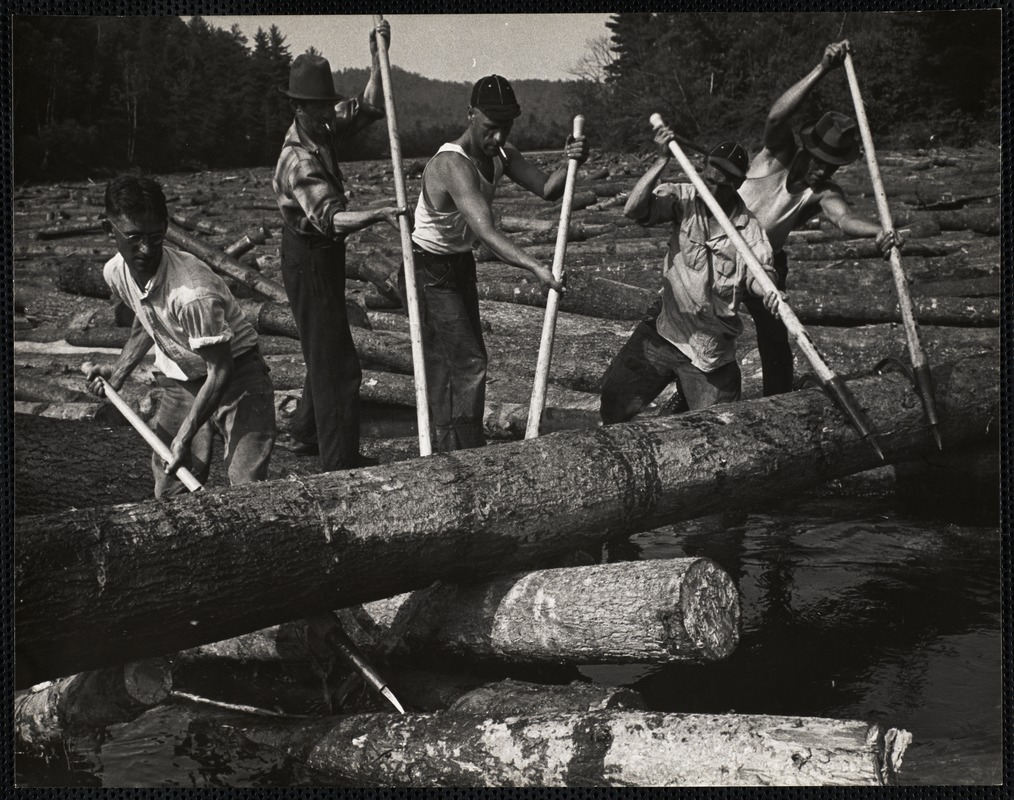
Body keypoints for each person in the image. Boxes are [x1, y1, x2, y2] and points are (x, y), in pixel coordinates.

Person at [407, 74, 587, 452]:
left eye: (505, 129)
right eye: (491, 128)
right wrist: (537, 267)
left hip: (458, 263)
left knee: (456, 360)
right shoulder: (451, 164)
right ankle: (468, 452)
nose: (499, 138)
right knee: (467, 362)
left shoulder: (501, 154)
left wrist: (570, 161)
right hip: (429, 268)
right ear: (470, 115)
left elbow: (547, 189)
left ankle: (449, 447)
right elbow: (486, 233)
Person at [85, 176, 276, 498]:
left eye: (155, 238)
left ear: (166, 227)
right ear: (109, 230)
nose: (145, 249)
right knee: (171, 486)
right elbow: (145, 322)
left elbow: (221, 370)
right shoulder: (114, 271)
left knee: (247, 486)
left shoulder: (191, 292)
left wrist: (185, 434)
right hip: (180, 378)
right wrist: (117, 375)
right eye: (133, 237)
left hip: (237, 378)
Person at [272, 20, 404, 470]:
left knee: (323, 348)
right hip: (308, 258)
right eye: (318, 106)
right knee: (339, 367)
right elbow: (331, 219)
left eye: (328, 104)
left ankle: (306, 431)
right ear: (298, 106)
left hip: (323, 256)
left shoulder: (322, 126)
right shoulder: (298, 159)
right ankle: (340, 464)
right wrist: (380, 213)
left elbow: (369, 107)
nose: (327, 112)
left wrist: (376, 56)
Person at [738, 39, 904, 396]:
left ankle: (777, 400)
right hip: (719, 249)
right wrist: (822, 69)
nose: (823, 170)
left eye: (831, 165)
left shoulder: (823, 192)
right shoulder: (777, 155)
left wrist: (880, 232)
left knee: (775, 335)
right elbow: (776, 116)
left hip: (764, 262)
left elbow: (844, 220)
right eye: (820, 161)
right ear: (808, 151)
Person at [599, 126, 781, 424]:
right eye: (708, 180)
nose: (712, 189)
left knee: (717, 429)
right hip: (667, 331)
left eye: (722, 185)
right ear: (701, 172)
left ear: (736, 185)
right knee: (614, 401)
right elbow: (634, 210)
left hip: (710, 352)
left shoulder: (750, 232)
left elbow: (761, 276)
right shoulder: (683, 199)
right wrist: (660, 161)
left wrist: (771, 292)